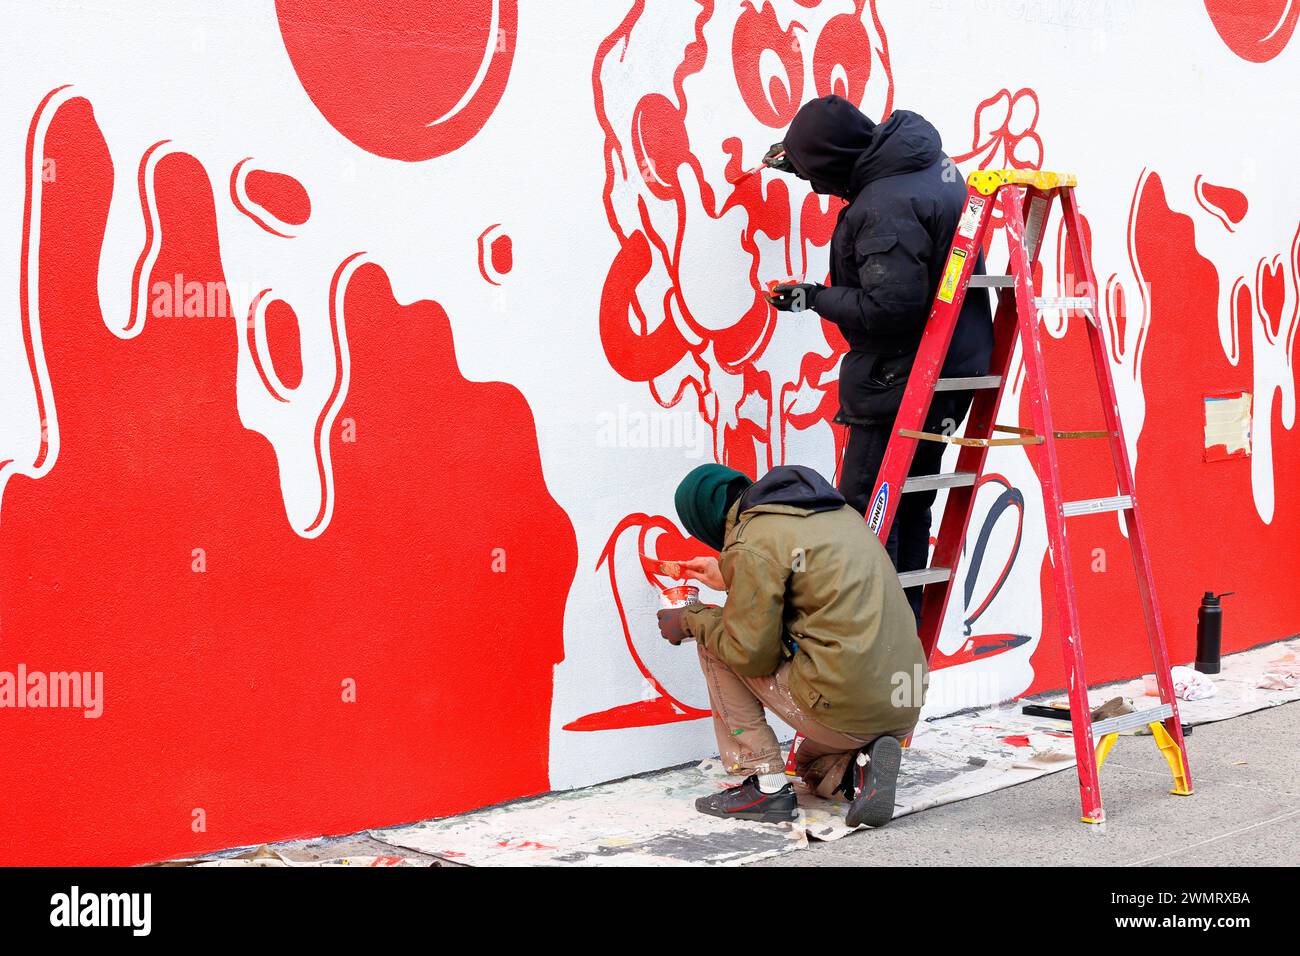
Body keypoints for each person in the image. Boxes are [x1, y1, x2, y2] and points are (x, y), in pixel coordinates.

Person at [763, 95, 994, 617]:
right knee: (911, 510)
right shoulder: (926, 165)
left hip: (902, 382)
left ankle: (876, 657)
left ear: (834, 162)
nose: (816, 187)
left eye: (813, 175)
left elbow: (890, 307)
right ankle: (904, 657)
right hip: (952, 373)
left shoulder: (882, 204)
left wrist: (814, 296)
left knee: (869, 520)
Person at [657, 462, 927, 828]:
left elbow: (751, 653)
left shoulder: (752, 539)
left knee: (714, 637)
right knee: (812, 769)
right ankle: (858, 772)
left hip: (844, 701)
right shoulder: (836, 512)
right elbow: (808, 587)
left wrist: (689, 619)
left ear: (705, 519)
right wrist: (733, 569)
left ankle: (764, 784)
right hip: (903, 700)